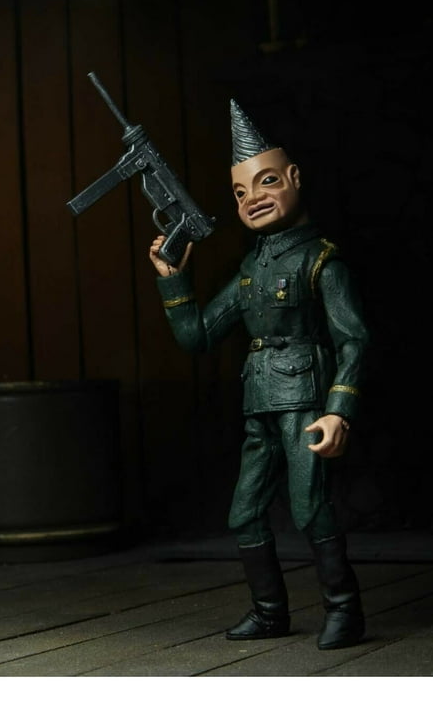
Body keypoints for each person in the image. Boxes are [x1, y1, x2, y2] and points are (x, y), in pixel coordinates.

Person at [148, 100, 368, 650]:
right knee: (244, 513)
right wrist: (173, 279)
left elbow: (353, 339)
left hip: (305, 402)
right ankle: (269, 611)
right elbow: (198, 336)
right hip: (259, 405)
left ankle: (344, 609)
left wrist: (339, 410)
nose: (253, 198)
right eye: (240, 192)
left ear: (294, 178)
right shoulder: (251, 269)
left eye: (266, 181)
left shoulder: (321, 261)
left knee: (311, 507)